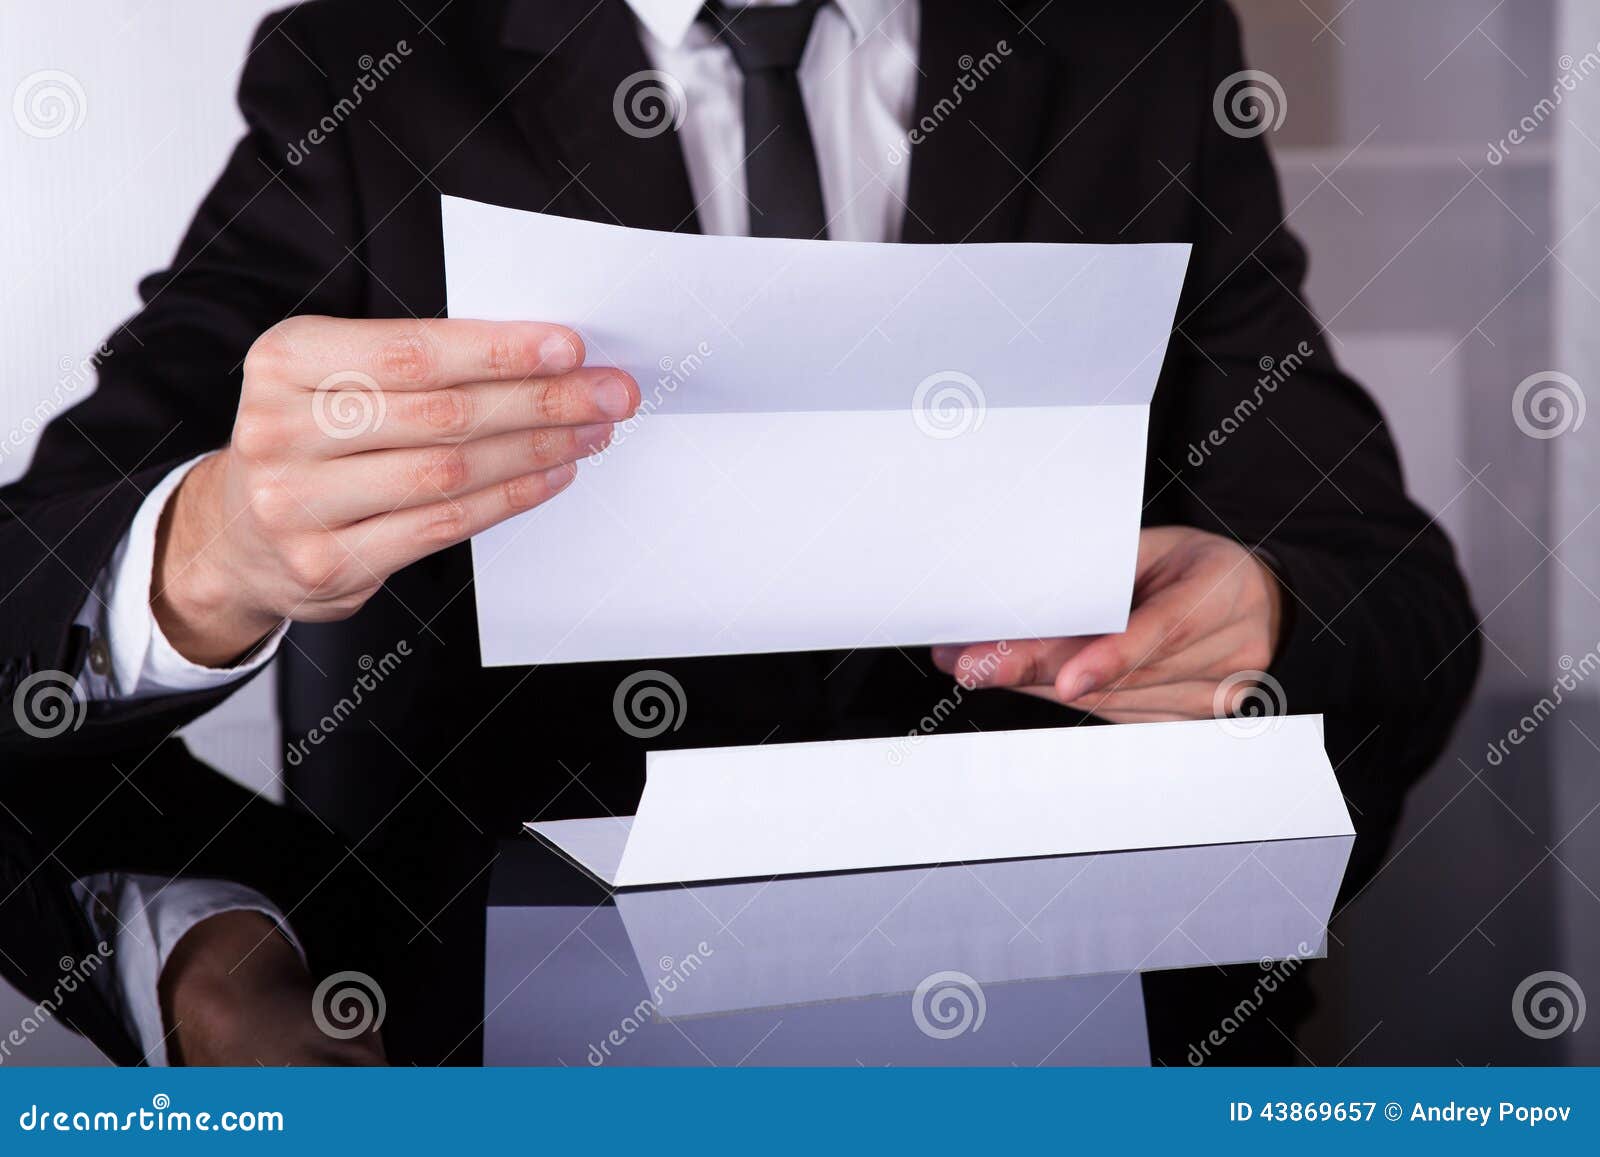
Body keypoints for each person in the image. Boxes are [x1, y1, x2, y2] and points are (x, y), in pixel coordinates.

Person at [0, 0, 1479, 1065]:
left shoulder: (1132, 44)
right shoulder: (371, 63)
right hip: (477, 994)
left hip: (1062, 992)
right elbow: (36, 572)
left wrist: (1268, 615)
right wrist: (205, 550)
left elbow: (1396, 592)